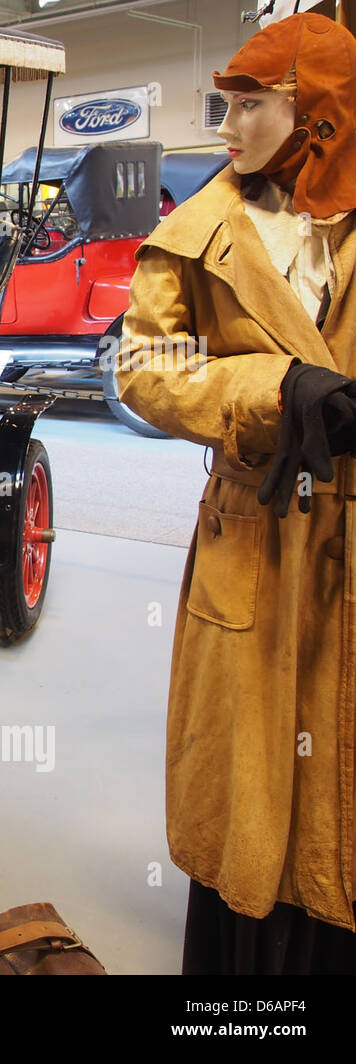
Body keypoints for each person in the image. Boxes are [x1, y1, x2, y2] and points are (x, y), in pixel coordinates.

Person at [117, 12, 356, 974]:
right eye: (227, 103)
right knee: (246, 790)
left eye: (251, 105)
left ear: (322, 116)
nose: (227, 125)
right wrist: (272, 390)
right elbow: (144, 367)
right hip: (253, 534)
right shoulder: (203, 228)